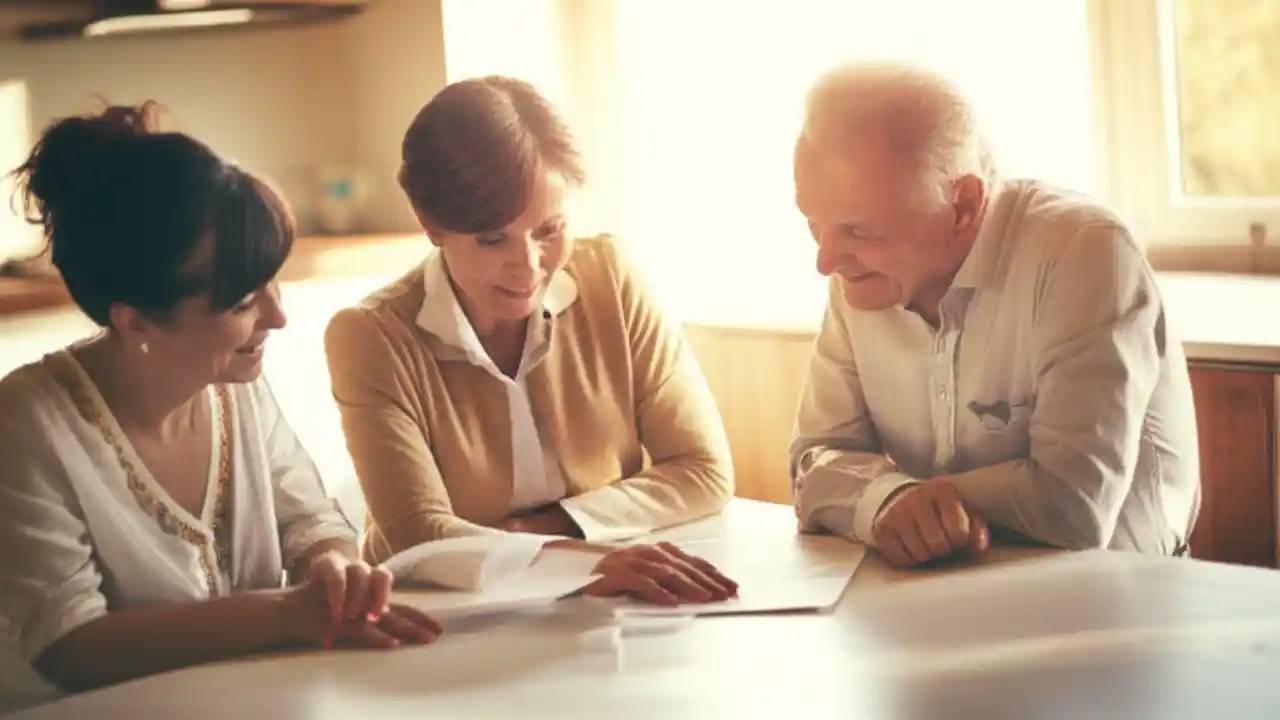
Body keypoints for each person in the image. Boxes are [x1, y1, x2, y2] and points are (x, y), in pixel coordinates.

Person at [0, 105, 441, 711]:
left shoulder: (237, 387)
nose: (278, 317)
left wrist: (337, 571)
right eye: (241, 302)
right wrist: (288, 614)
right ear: (134, 321)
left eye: (272, 281)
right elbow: (73, 647)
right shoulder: (28, 425)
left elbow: (312, 523)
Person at [324, 76, 738, 605]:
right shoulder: (370, 336)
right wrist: (581, 561)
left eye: (549, 229)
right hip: (448, 617)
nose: (528, 264)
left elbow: (703, 469)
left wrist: (548, 529)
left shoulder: (611, 278)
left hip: (612, 600)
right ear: (432, 225)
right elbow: (416, 535)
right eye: (493, 239)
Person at [789, 61, 1201, 568]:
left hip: (1126, 599)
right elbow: (813, 462)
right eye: (814, 223)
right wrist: (886, 502)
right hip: (944, 594)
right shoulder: (860, 277)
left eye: (860, 231)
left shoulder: (1085, 252)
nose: (825, 261)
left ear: (962, 204)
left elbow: (1074, 505)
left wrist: (892, 500)